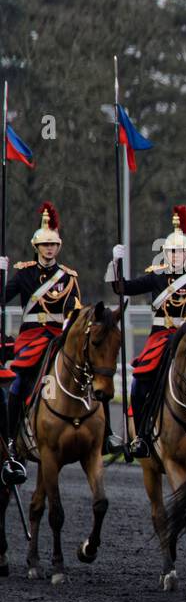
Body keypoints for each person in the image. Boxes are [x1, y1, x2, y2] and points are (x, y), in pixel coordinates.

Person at [108, 206, 186, 459]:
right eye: (173, 251)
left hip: (185, 338)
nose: (177, 255)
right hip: (160, 337)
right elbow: (123, 288)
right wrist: (115, 263)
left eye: (181, 251)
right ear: (166, 254)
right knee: (139, 383)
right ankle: (141, 436)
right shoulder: (155, 278)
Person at [0, 202, 87, 483]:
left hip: (58, 336)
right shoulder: (24, 274)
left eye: (53, 245)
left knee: (88, 375)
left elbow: (76, 312)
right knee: (18, 382)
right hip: (32, 337)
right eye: (45, 245)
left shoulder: (69, 278)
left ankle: (105, 433)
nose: (49, 249)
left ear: (58, 247)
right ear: (36, 247)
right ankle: (11, 439)